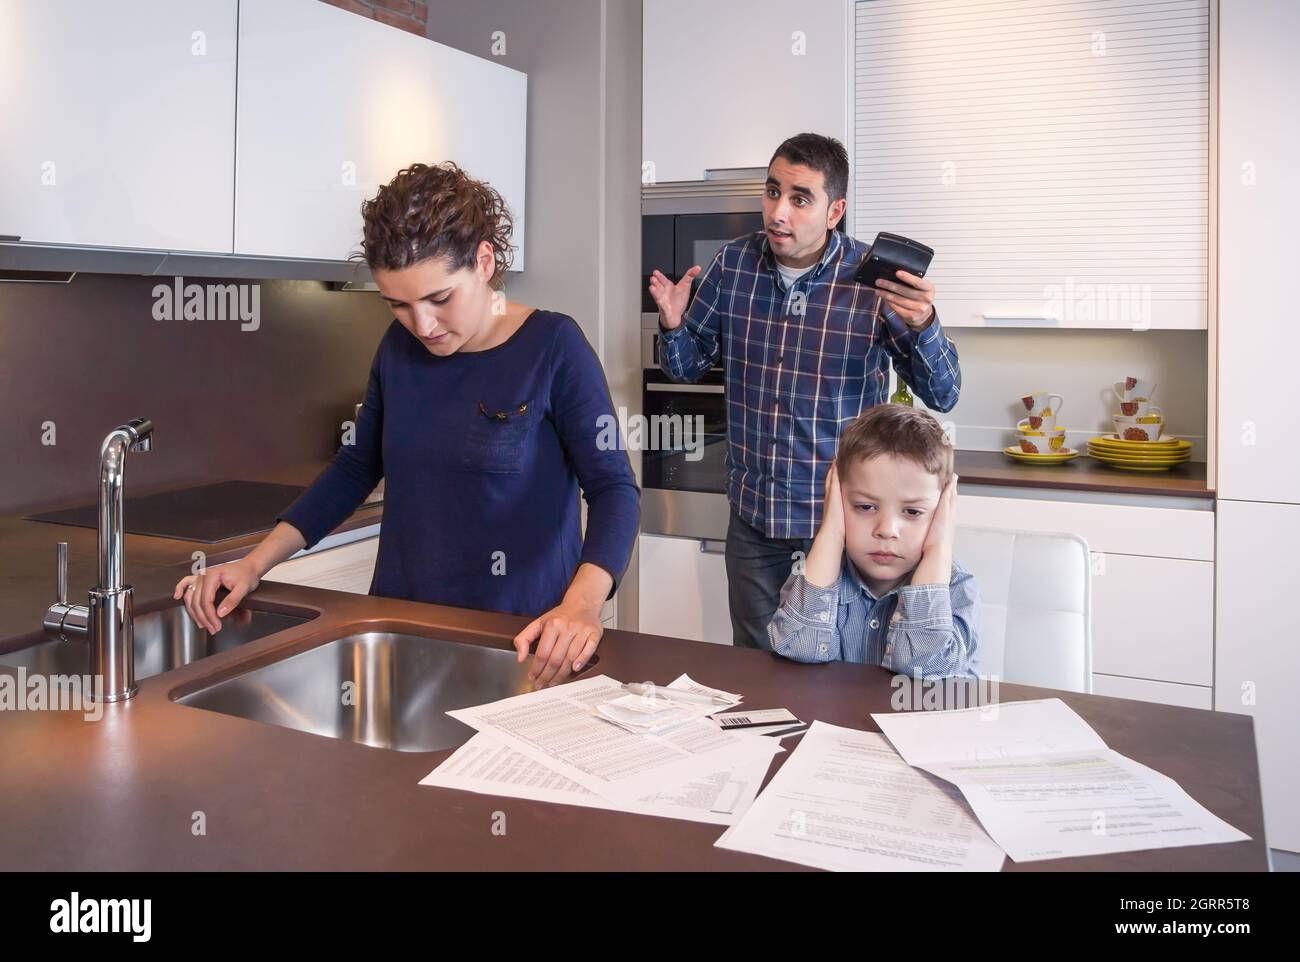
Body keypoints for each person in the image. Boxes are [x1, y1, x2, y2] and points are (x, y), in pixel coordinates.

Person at [174, 161, 640, 688]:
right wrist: (253, 564)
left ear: (484, 261)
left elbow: (614, 490)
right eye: (398, 305)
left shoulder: (554, 347)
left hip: (525, 643)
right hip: (401, 635)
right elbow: (355, 468)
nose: (423, 326)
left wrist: (581, 605)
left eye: (440, 299)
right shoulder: (399, 350)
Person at [649, 132, 962, 649]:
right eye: (773, 192)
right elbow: (683, 369)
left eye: (800, 198)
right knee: (753, 664)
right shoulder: (733, 266)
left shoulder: (872, 282)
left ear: (834, 210)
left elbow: (944, 392)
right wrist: (674, 324)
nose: (778, 213)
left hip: (840, 523)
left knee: (839, 665)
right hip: (754, 519)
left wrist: (925, 323)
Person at [767, 404, 979, 678]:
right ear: (838, 500)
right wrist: (830, 533)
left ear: (941, 513)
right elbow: (797, 647)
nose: (886, 530)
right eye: (865, 507)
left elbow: (924, 667)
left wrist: (939, 548)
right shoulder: (815, 574)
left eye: (913, 512)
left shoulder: (958, 588)